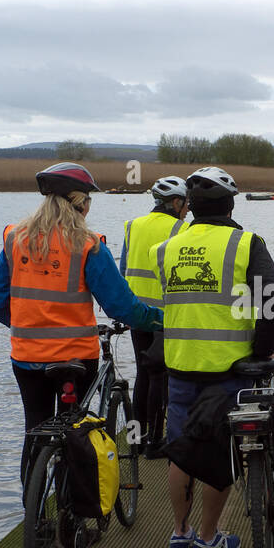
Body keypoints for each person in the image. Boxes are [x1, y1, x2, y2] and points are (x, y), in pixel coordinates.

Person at [0, 162, 163, 496]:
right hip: (76, 359)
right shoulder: (88, 245)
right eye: (88, 201)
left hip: (25, 357)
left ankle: (34, 519)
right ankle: (73, 516)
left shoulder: (15, 238)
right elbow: (121, 307)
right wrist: (160, 320)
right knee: (75, 431)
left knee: (35, 428)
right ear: (79, 202)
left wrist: (28, 322)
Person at [152, 166, 274, 548]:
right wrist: (262, 352)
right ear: (230, 203)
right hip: (228, 370)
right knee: (221, 451)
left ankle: (180, 533)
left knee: (181, 449)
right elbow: (272, 300)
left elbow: (170, 304)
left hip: (178, 365)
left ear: (189, 207)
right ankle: (208, 537)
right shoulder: (245, 243)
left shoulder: (166, 248)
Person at [119, 176, 189, 457]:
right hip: (164, 314)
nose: (187, 210)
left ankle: (135, 439)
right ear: (175, 202)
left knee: (143, 375)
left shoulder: (132, 226)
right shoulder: (179, 229)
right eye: (186, 204)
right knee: (160, 377)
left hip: (137, 312)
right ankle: (154, 443)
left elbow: (124, 267)